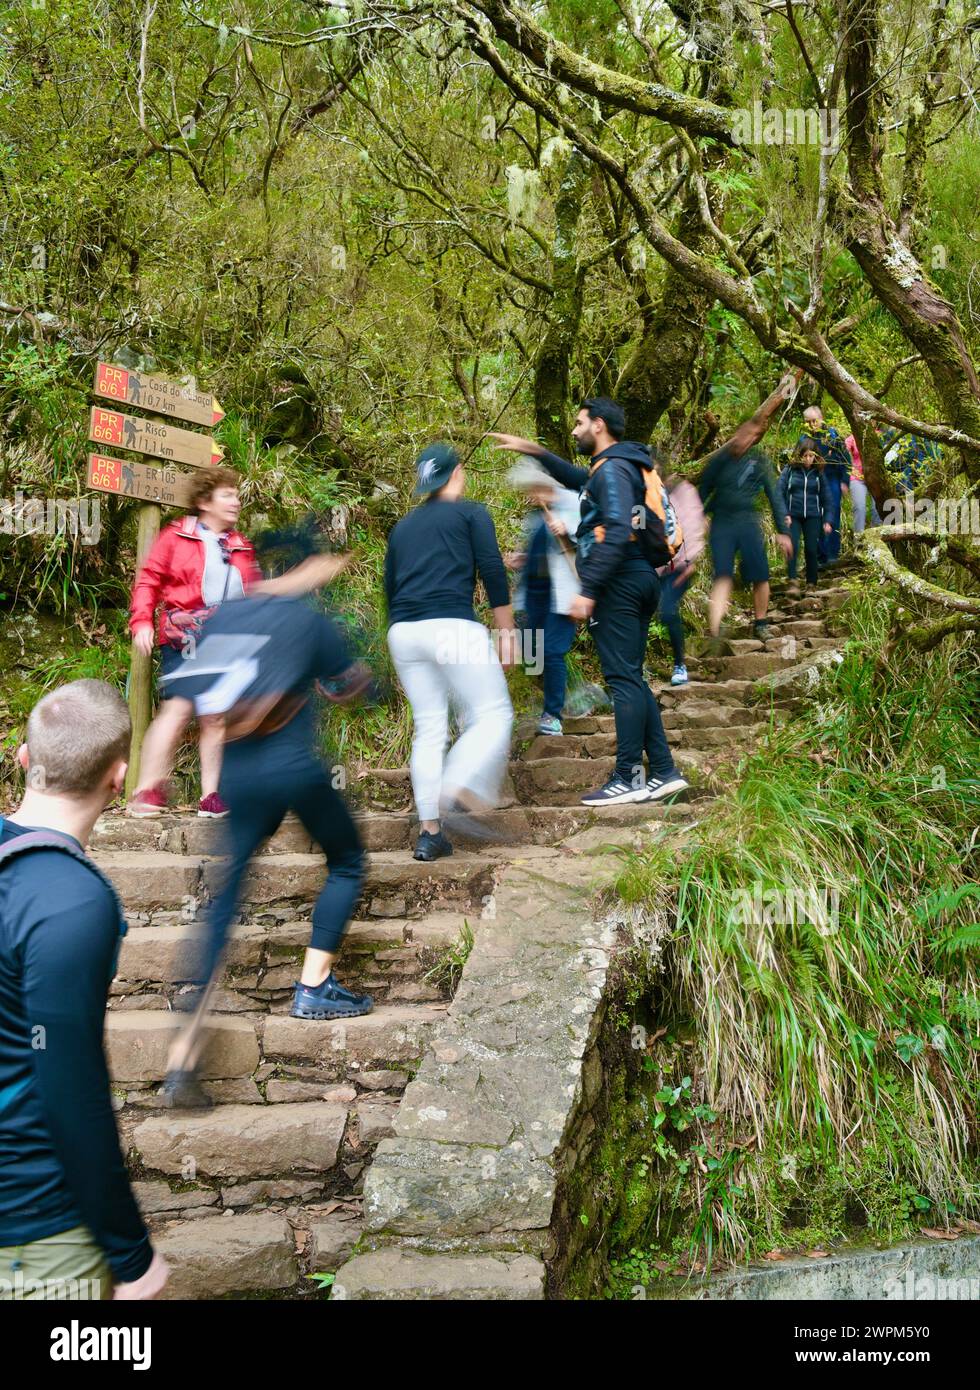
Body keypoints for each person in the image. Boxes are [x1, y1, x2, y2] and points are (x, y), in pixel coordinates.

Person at [157, 565, 374, 1108]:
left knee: (226, 897)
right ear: (301, 572)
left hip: (238, 774)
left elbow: (188, 703)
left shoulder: (224, 617)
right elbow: (350, 685)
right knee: (346, 858)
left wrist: (150, 778)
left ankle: (183, 1058)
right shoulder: (307, 617)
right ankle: (313, 988)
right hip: (292, 766)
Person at [0, 680, 169, 1300]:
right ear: (118, 777)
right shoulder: (74, 901)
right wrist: (131, 1255)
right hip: (34, 1231)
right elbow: (69, 1086)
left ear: (24, 758)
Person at [490, 401, 689, 807]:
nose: (575, 429)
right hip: (638, 577)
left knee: (621, 680)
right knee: (631, 678)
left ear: (599, 425)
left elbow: (617, 527)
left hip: (619, 583)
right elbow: (577, 477)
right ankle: (665, 772)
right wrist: (532, 449)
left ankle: (629, 776)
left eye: (580, 422)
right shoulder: (618, 466)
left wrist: (589, 589)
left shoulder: (612, 470)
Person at [384, 443, 517, 862]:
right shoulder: (472, 513)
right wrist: (507, 631)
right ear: (458, 472)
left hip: (404, 632)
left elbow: (390, 587)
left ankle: (430, 834)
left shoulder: (403, 527)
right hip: (451, 626)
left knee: (429, 729)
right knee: (495, 714)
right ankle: (454, 783)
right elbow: (493, 569)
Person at [127, 467, 262, 819]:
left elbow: (255, 595)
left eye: (236, 494)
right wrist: (141, 620)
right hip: (184, 635)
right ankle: (147, 790)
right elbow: (149, 580)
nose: (236, 500)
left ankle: (211, 796)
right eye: (227, 494)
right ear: (205, 501)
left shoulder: (241, 544)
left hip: (226, 642)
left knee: (215, 717)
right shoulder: (177, 536)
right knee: (179, 708)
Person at [697, 376, 796, 649]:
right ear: (736, 433)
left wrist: (783, 532)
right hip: (722, 524)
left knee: (760, 574)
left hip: (749, 523)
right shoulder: (719, 460)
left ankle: (761, 623)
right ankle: (715, 632)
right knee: (723, 575)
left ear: (754, 438)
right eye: (741, 433)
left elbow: (774, 496)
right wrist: (701, 516)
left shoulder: (759, 461)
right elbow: (703, 492)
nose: (744, 439)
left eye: (750, 436)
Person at [504, 457, 581, 735]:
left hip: (563, 596)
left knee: (551, 651)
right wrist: (522, 559)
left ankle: (553, 714)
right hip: (535, 596)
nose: (531, 493)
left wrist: (567, 530)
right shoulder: (536, 516)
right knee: (531, 653)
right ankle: (569, 695)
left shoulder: (573, 503)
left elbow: (594, 542)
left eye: (534, 486)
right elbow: (542, 555)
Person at [655, 475, 706, 686]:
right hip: (655, 568)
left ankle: (680, 665)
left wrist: (690, 560)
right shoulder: (644, 493)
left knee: (668, 609)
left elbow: (694, 526)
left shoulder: (683, 492)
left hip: (681, 566)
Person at [799, 405, 850, 567]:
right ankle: (820, 557)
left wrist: (844, 481)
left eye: (814, 420)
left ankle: (833, 555)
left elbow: (845, 458)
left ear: (821, 418)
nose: (812, 424)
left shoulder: (833, 435)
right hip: (814, 481)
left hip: (832, 478)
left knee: (832, 515)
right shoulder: (804, 439)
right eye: (808, 422)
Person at [778, 439, 833, 590]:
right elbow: (779, 493)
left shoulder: (819, 473)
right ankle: (792, 581)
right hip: (792, 516)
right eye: (806, 455)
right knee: (792, 547)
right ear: (800, 455)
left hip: (813, 516)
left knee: (811, 548)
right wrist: (784, 514)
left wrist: (827, 520)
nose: (808, 459)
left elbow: (827, 498)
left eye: (811, 456)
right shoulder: (789, 470)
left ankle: (811, 583)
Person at [843, 432, 881, 533]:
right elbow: (842, 453)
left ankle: (877, 539)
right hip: (857, 477)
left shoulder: (878, 435)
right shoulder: (851, 438)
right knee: (859, 507)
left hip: (875, 478)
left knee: (877, 508)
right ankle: (859, 541)